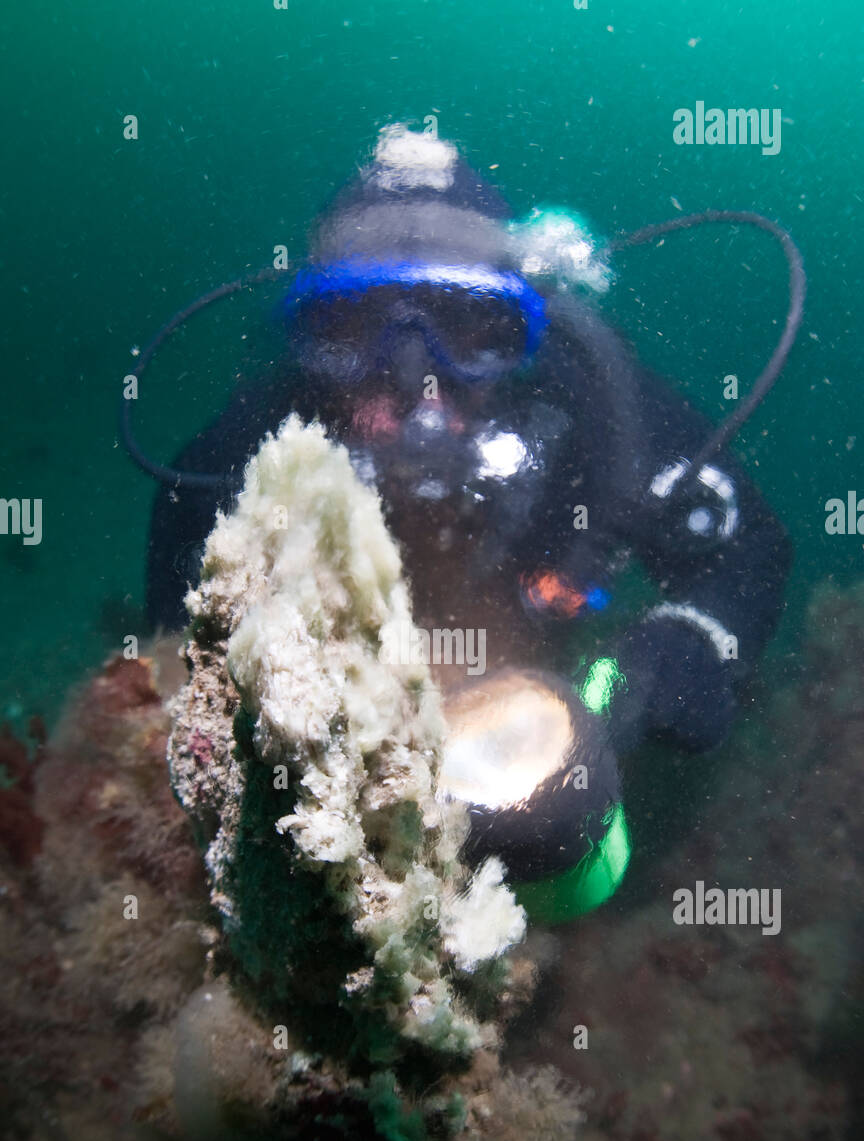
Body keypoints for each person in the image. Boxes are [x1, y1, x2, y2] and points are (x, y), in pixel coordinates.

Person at [127, 124, 800, 899]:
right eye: (353, 328)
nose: (415, 380)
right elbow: (178, 652)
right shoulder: (251, 447)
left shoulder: (589, 408)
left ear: (525, 335)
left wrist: (674, 651)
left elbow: (744, 546)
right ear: (306, 343)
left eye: (469, 329)